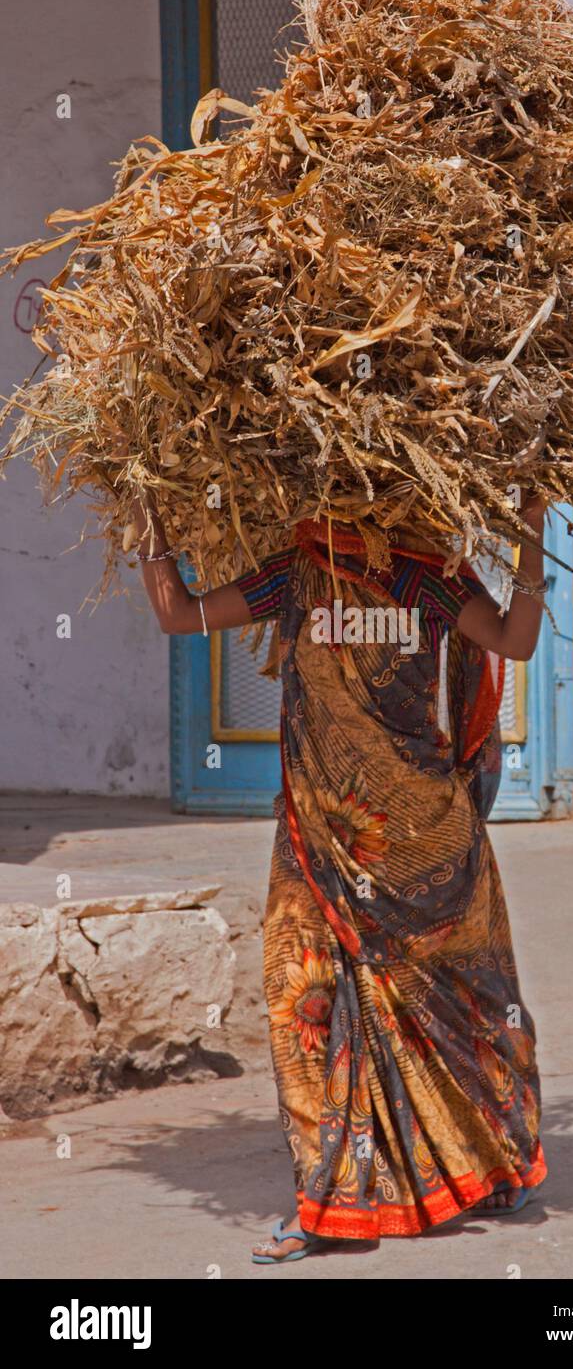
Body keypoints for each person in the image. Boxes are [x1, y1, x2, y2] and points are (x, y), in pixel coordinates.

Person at [130, 491, 549, 1262]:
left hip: (420, 838)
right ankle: (331, 1198)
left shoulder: (429, 576)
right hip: (320, 832)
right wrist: (151, 505)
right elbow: (177, 615)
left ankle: (495, 1155)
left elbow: (515, 642)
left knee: (466, 999)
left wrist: (531, 522)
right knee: (301, 997)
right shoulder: (297, 570)